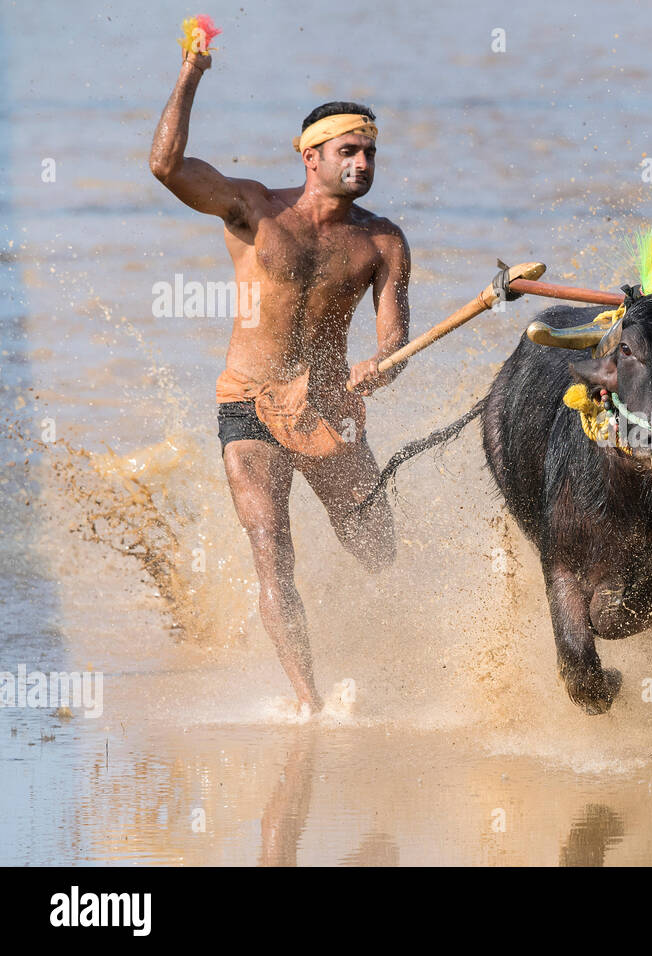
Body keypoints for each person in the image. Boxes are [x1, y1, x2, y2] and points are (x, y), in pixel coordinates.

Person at [149, 45, 410, 714]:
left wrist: (382, 364)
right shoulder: (254, 211)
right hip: (250, 403)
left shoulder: (383, 242)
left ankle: (386, 650)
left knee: (378, 547)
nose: (361, 163)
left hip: (327, 408)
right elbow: (166, 166)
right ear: (311, 157)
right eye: (348, 151)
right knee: (272, 547)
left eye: (369, 153)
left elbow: (395, 338)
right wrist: (191, 73)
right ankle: (309, 703)